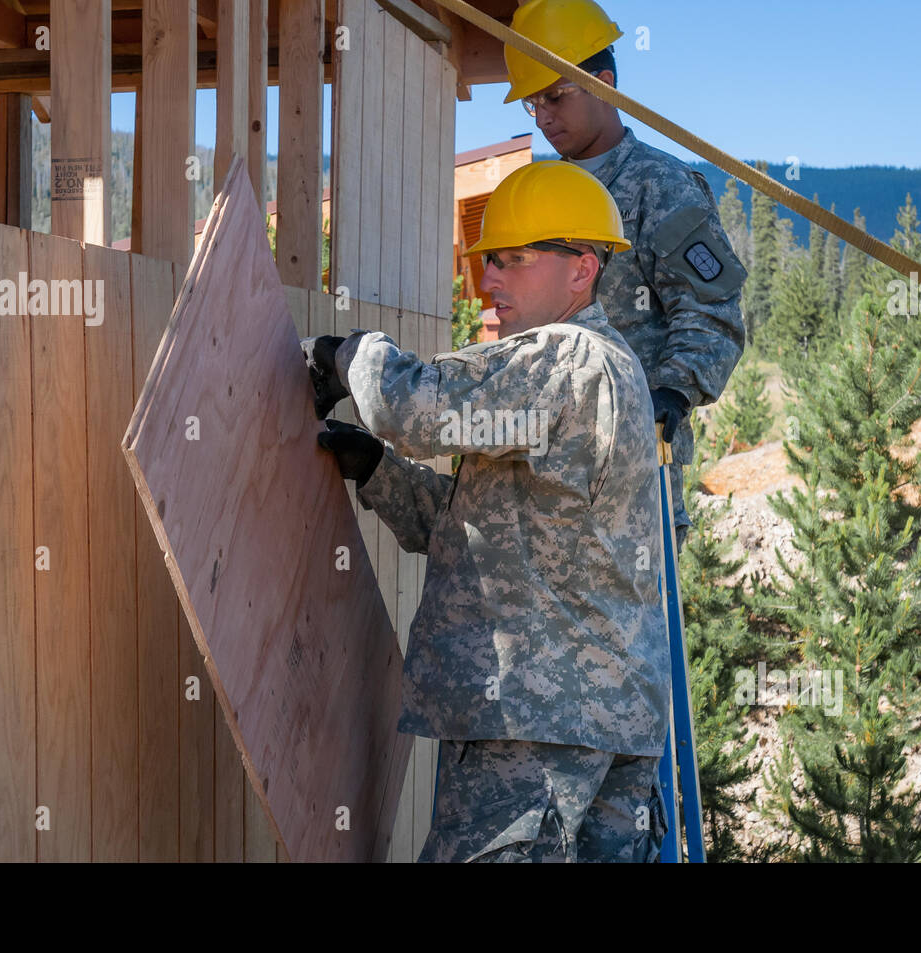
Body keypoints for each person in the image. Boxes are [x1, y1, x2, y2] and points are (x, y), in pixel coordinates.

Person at [301, 161, 670, 862]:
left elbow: (414, 407)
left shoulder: (566, 357)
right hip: (598, 725)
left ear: (581, 269)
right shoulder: (612, 368)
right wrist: (380, 473)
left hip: (534, 729)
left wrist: (346, 354)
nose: (488, 281)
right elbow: (491, 532)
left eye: (512, 261)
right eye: (486, 263)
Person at [504, 0, 749, 550]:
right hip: (542, 468)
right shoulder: (538, 196)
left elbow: (713, 312)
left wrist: (670, 393)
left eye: (554, 96)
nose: (543, 117)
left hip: (634, 470)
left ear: (604, 83)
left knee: (636, 635)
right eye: (531, 104)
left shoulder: (662, 188)